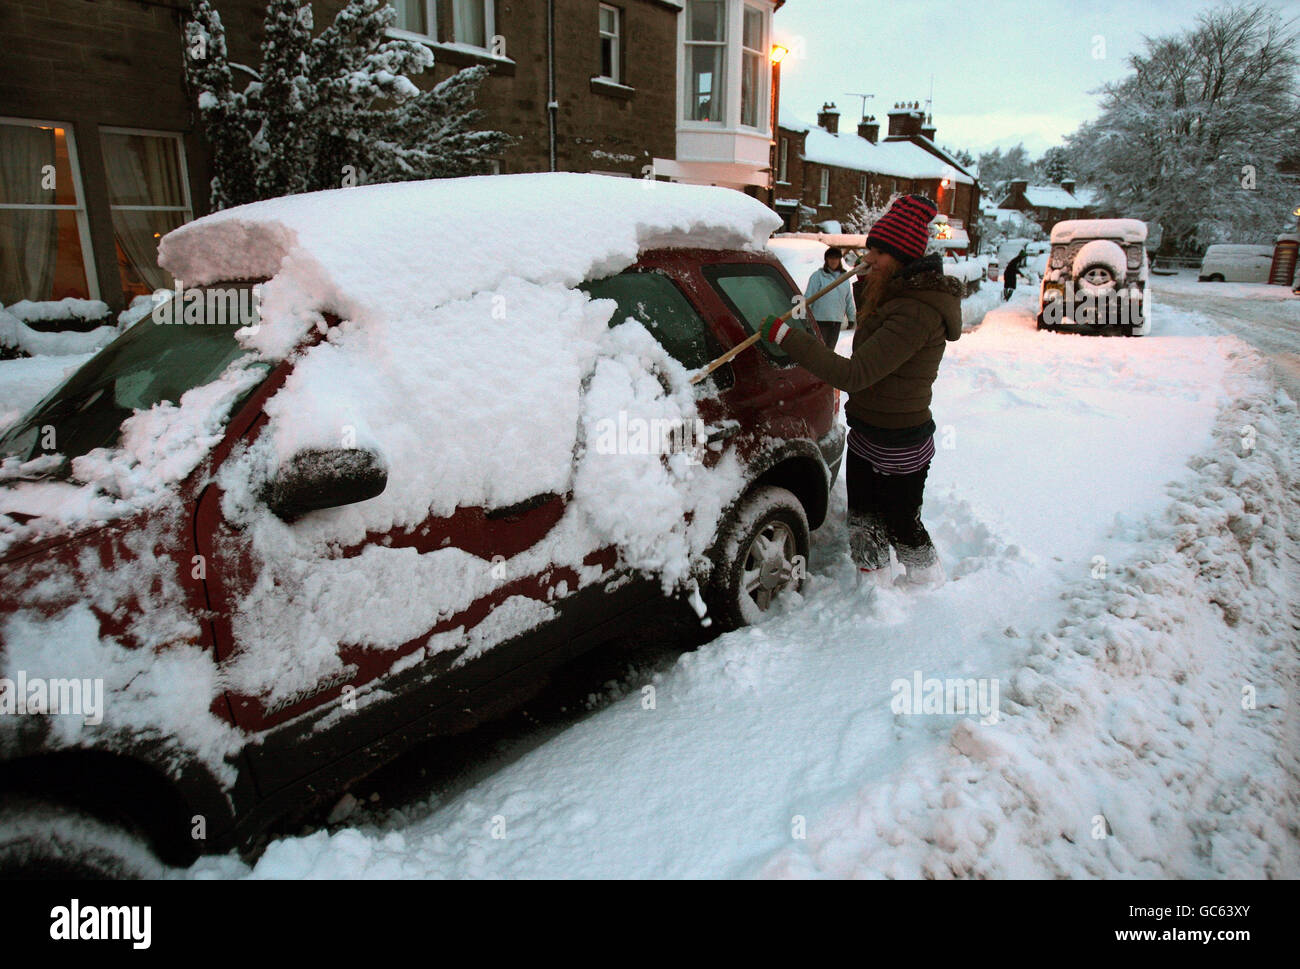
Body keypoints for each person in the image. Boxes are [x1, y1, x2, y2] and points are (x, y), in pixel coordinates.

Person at [763, 194, 962, 592]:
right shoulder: (896, 295)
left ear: (900, 257)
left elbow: (855, 373)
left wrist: (789, 338)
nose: (868, 257)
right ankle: (874, 589)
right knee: (863, 520)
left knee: (902, 523)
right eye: (868, 248)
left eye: (877, 251)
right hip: (869, 431)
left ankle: (928, 586)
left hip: (901, 439)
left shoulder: (915, 311)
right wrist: (868, 284)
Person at [803, 247, 856, 336]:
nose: (833, 261)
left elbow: (848, 299)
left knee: (830, 349)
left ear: (839, 260)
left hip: (836, 322)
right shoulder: (818, 276)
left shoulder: (844, 278)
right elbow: (809, 297)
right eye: (831, 258)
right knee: (818, 349)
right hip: (819, 321)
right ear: (826, 260)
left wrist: (851, 318)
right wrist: (805, 317)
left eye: (836, 258)